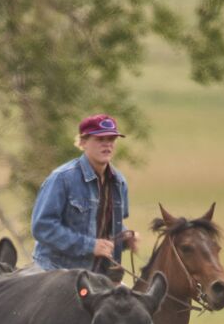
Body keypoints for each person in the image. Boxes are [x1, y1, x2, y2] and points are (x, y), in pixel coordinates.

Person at [29, 114, 141, 272]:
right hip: (53, 270)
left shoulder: (119, 182)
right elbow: (42, 227)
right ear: (83, 142)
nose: (107, 144)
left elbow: (106, 226)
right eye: (100, 139)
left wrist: (125, 237)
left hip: (97, 274)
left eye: (111, 139)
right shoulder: (62, 178)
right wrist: (90, 246)